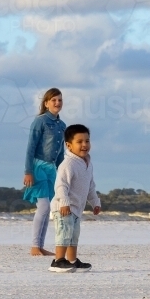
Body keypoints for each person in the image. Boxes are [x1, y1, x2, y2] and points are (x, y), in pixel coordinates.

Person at [48, 124, 101, 272]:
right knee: (64, 233)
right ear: (69, 145)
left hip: (76, 208)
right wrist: (64, 202)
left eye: (87, 141)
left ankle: (72, 260)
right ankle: (58, 261)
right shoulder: (68, 164)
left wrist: (95, 202)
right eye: (79, 142)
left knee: (73, 235)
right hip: (63, 207)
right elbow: (61, 185)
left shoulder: (88, 164)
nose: (84, 145)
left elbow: (90, 186)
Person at [23, 88, 66, 256]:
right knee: (43, 206)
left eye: (60, 100)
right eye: (54, 100)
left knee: (48, 209)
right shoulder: (40, 121)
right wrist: (28, 171)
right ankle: (34, 246)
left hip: (52, 170)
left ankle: (39, 246)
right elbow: (30, 148)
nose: (57, 103)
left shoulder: (62, 125)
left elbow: (61, 153)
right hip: (38, 167)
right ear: (46, 103)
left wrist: (63, 173)